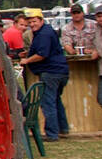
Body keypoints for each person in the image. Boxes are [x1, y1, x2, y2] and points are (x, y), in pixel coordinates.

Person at [19, 9, 70, 141]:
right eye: (29, 22)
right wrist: (29, 53)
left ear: (41, 20)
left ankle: (52, 134)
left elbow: (42, 55)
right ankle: (63, 129)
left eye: (34, 21)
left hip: (51, 72)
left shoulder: (43, 34)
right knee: (56, 100)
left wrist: (27, 60)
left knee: (48, 103)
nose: (32, 24)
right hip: (60, 71)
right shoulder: (45, 31)